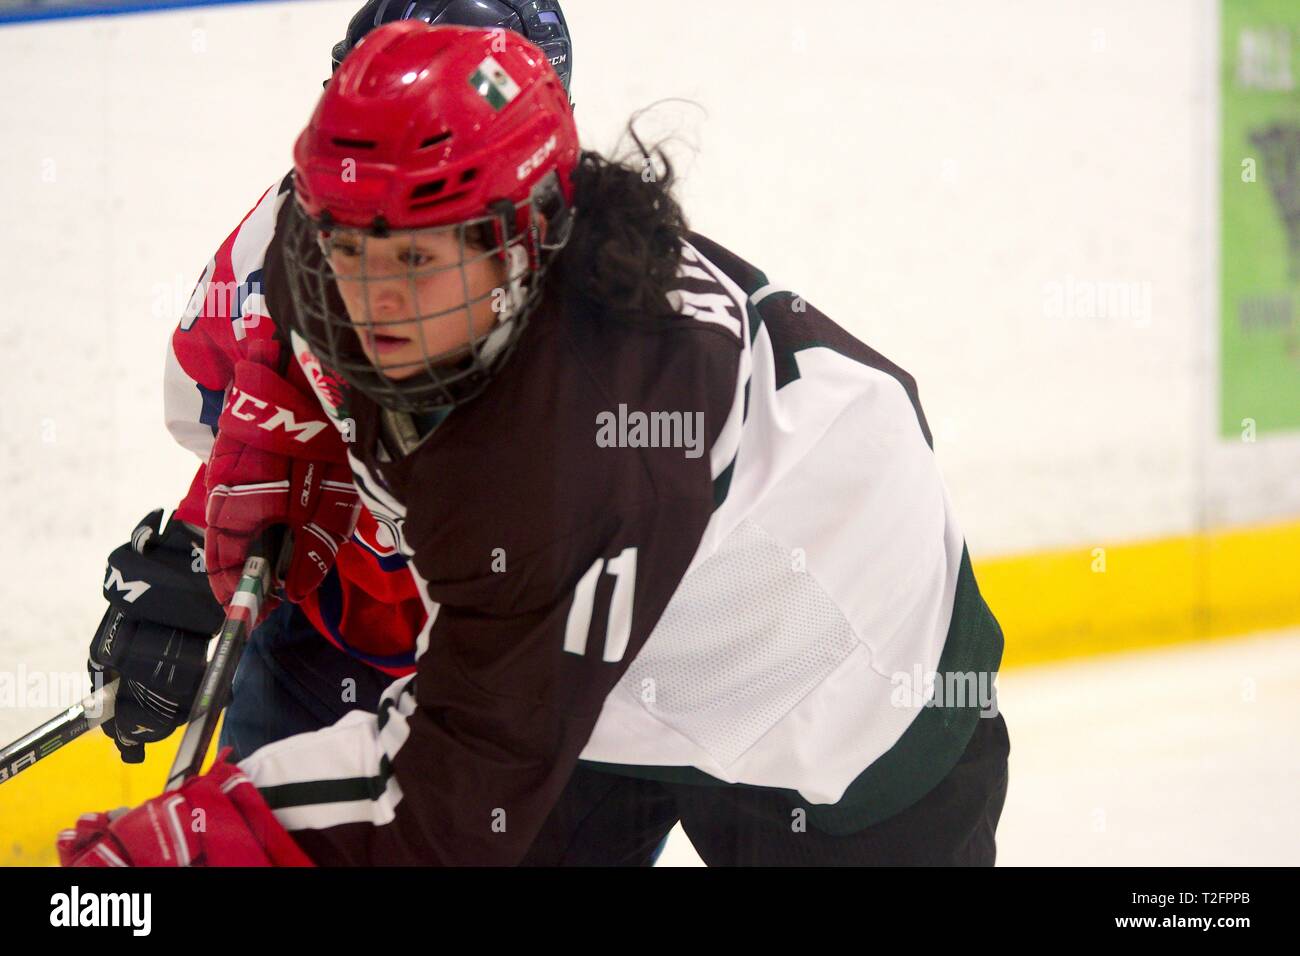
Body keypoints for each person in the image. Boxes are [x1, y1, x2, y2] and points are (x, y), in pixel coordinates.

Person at [62, 20, 1009, 867]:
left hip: (828, 673)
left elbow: (442, 794)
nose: (374, 298)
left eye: (417, 261)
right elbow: (283, 370)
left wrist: (205, 839)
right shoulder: (328, 234)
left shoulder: (593, 430)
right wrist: (239, 504)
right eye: (350, 250)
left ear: (528, 237)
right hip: (590, 687)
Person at [87, 0, 574, 768]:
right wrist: (194, 549)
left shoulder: (612, 320)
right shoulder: (273, 250)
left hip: (531, 686)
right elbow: (240, 412)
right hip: (328, 650)